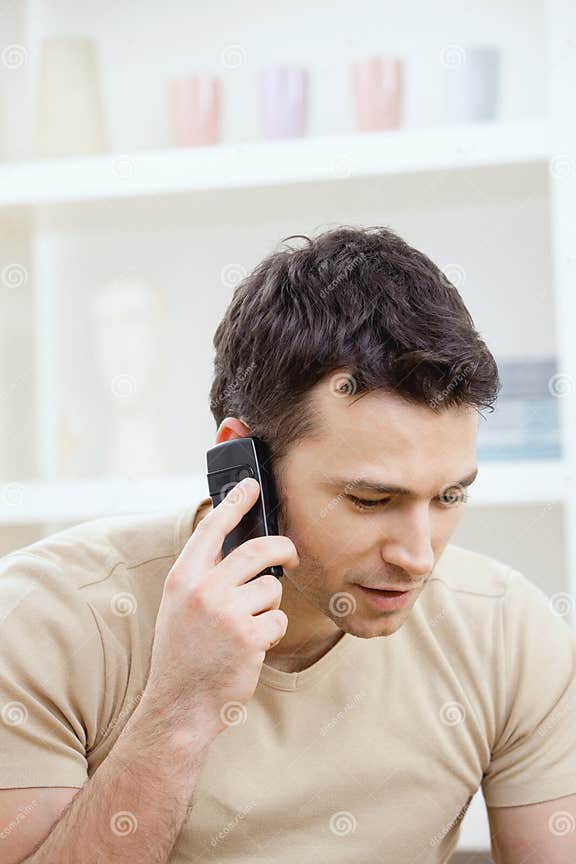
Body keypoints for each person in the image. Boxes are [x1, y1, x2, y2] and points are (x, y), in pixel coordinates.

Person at [1, 226, 574, 863]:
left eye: (448, 497)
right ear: (243, 465)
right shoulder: (43, 621)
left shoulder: (507, 631)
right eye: (370, 500)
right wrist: (182, 706)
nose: (417, 556)